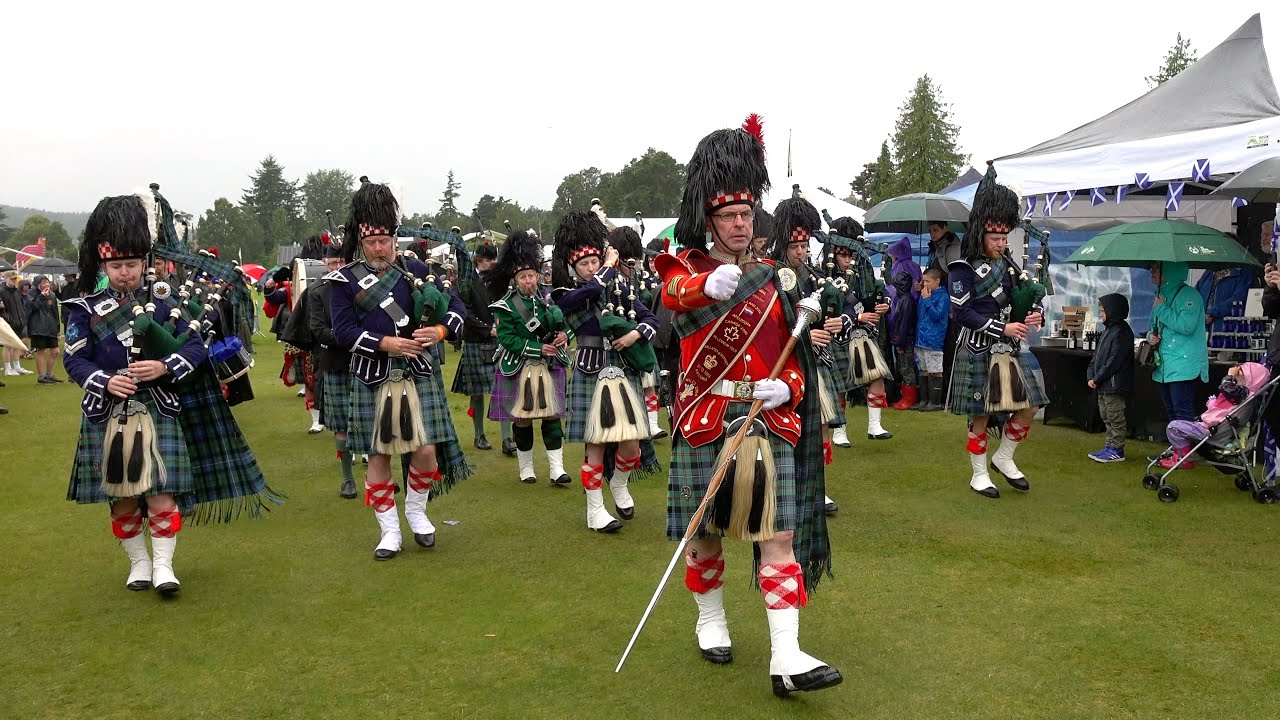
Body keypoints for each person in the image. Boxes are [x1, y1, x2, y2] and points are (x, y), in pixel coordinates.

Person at [655, 117, 840, 696]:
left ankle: (786, 655)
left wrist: (789, 387)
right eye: (730, 216)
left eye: (746, 214)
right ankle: (710, 620)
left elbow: (792, 354)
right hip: (705, 417)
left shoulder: (774, 279)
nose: (741, 224)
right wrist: (704, 286)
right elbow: (671, 296)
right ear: (708, 219)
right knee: (705, 532)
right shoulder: (687, 270)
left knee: (777, 535)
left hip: (765, 417)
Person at [63, 193, 208, 595]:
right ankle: (139, 563)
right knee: (123, 499)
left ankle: (163, 566)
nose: (124, 273)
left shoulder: (165, 302)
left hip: (157, 406)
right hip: (108, 411)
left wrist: (164, 367)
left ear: (145, 262)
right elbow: (74, 359)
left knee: (162, 494)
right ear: (103, 265)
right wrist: (105, 380)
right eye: (116, 266)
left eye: (131, 264)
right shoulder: (85, 308)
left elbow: (196, 347)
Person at [329, 181, 471, 559]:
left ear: (394, 238)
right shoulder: (345, 280)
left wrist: (440, 331)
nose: (379, 248)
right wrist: (386, 343)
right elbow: (343, 332)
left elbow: (458, 308)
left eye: (384, 241)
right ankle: (389, 531)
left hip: (417, 372)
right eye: (371, 242)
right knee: (378, 455)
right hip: (372, 374)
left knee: (426, 451)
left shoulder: (419, 271)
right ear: (361, 242)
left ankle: (416, 511)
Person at [552, 211, 659, 533]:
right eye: (584, 264)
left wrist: (634, 334)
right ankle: (595, 510)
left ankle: (619, 483)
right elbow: (580, 297)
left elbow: (650, 319)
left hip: (623, 371)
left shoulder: (620, 289)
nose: (591, 267)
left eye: (594, 262)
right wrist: (607, 271)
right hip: (590, 370)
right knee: (595, 446)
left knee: (631, 445)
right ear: (574, 267)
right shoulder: (565, 294)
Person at [947, 169, 1048, 499]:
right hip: (977, 347)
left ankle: (1003, 457)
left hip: (1007, 347)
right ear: (981, 235)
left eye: (1005, 239)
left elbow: (1018, 302)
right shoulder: (962, 268)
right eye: (996, 239)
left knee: (1030, 405)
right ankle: (979, 474)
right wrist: (1001, 327)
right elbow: (962, 313)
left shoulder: (1009, 266)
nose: (1002, 244)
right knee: (981, 413)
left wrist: (1033, 314)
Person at [487, 229, 571, 484]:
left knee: (552, 416)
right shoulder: (506, 305)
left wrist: (564, 336)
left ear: (537, 275)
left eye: (531, 276)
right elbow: (506, 338)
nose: (528, 281)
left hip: (550, 364)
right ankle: (526, 468)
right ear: (515, 279)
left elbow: (568, 324)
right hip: (519, 365)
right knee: (522, 419)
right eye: (523, 277)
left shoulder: (550, 297)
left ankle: (557, 469)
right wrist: (538, 349)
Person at [830, 216, 893, 441]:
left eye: (851, 255)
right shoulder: (825, 274)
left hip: (863, 334)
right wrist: (857, 316)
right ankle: (839, 432)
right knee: (841, 386)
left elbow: (878, 290)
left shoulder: (863, 272)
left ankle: (875, 426)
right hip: (838, 335)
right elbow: (828, 309)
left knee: (877, 377)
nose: (848, 261)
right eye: (843, 255)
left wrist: (886, 303)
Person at [308, 243, 358, 498]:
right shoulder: (317, 291)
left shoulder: (359, 284)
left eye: (341, 262)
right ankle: (348, 479)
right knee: (341, 424)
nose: (336, 267)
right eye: (332, 264)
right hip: (336, 362)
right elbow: (318, 330)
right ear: (324, 263)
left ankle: (377, 476)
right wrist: (352, 336)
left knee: (371, 419)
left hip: (365, 360)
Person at [1158, 362, 1268, 469]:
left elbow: (1227, 389)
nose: (1235, 378)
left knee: (1173, 427)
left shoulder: (1242, 394)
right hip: (1212, 428)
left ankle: (1182, 460)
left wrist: (1229, 376)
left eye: (1240, 374)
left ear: (1250, 379)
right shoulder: (1246, 396)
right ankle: (1181, 457)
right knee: (1179, 426)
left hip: (1212, 431)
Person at [453, 241, 505, 451]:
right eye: (489, 260)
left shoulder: (497, 279)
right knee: (476, 393)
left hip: (498, 340)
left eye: (494, 259)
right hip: (476, 340)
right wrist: (488, 329)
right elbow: (464, 311)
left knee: (502, 389)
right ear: (479, 260)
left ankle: (507, 438)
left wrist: (501, 324)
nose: (493, 263)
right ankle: (479, 435)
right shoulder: (466, 280)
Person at [1147, 261, 1208, 423]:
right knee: (1171, 411)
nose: (1152, 271)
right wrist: (1150, 336)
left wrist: (1161, 308)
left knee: (1183, 412)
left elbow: (1186, 326)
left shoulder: (1190, 295)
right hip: (1164, 364)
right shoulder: (1160, 294)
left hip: (1183, 365)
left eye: (1157, 268)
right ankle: (1177, 440)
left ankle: (1186, 441)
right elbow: (1152, 326)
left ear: (1171, 269)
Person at [1086, 294, 1135, 463]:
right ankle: (1110, 446)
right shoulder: (1108, 330)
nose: (1100, 313)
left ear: (1112, 310)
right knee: (1106, 416)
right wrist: (1091, 376)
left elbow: (1115, 361)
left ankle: (1117, 449)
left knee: (1115, 417)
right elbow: (1096, 356)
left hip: (1114, 384)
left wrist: (1097, 378)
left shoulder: (1122, 332)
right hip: (1103, 384)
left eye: (1103, 310)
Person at [886, 236, 921, 410]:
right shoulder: (913, 267)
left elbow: (903, 323)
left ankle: (909, 398)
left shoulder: (904, 301)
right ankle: (906, 396)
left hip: (904, 339)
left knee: (906, 366)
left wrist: (899, 341)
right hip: (905, 338)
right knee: (905, 365)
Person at [913, 267, 949, 411]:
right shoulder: (924, 294)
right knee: (923, 369)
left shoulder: (943, 296)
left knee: (935, 369)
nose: (925, 284)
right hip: (921, 337)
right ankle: (924, 400)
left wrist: (927, 301)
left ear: (937, 281)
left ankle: (935, 402)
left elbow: (937, 316)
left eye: (928, 281)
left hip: (934, 338)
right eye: (924, 281)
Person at [26, 275, 63, 383]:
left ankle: (49, 374)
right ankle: (41, 376)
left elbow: (55, 312)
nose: (46, 284)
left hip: (50, 326)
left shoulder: (52, 295)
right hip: (38, 327)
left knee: (55, 351)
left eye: (47, 282)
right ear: (38, 284)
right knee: (41, 351)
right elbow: (32, 307)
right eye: (43, 282)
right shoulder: (31, 293)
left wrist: (57, 328)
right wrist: (42, 296)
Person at [0, 272, 31, 375]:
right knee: (8, 345)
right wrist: (9, 319)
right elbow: (2, 309)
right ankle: (7, 368)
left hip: (19, 321)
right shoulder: (2, 291)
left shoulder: (16, 291)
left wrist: (22, 318)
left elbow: (20, 306)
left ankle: (17, 366)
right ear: (6, 279)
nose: (14, 281)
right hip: (8, 322)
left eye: (15, 279)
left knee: (17, 344)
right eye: (12, 279)